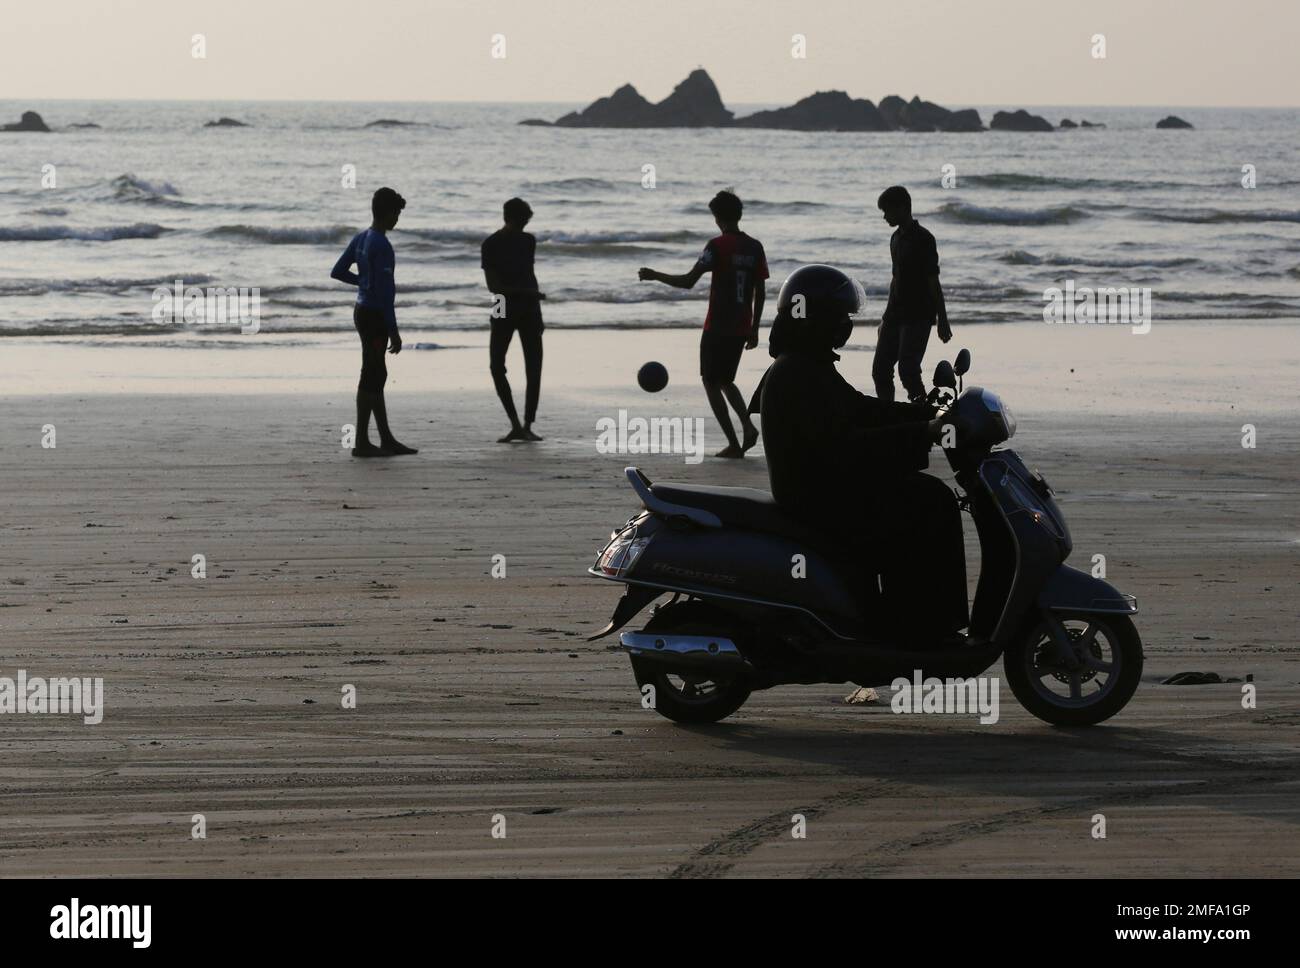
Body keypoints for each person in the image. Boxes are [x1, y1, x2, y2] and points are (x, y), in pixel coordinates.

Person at [757, 263, 968, 647]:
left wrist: (925, 412)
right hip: (817, 499)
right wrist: (923, 432)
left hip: (826, 486)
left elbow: (860, 408)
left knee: (928, 497)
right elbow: (844, 445)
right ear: (815, 317)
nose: (845, 324)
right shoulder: (796, 373)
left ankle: (921, 622)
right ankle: (911, 627)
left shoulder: (808, 363)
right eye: (839, 316)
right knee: (927, 503)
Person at [638, 190, 767, 459]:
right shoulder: (754, 247)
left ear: (717, 217)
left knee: (710, 381)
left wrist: (654, 275)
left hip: (718, 324)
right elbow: (761, 289)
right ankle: (747, 426)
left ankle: (734, 442)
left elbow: (688, 281)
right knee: (726, 380)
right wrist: (755, 328)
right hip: (742, 324)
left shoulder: (717, 246)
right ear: (739, 215)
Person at [330, 187, 417, 457]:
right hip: (375, 316)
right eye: (397, 214)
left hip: (360, 310)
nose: (397, 219)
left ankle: (383, 438)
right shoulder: (382, 245)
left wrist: (362, 282)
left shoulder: (361, 238)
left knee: (375, 373)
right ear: (389, 213)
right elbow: (386, 294)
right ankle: (363, 442)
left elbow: (338, 271)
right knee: (372, 374)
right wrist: (394, 331)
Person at [874, 185, 951, 403]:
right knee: (880, 370)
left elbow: (932, 281)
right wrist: (885, 318)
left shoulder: (924, 239)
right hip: (894, 314)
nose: (885, 216)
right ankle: (886, 413)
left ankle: (922, 412)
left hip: (918, 315)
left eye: (887, 211)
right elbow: (895, 278)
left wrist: (942, 319)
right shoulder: (895, 238)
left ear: (902, 208)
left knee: (908, 370)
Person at [482, 197, 545, 443]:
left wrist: (536, 308)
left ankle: (527, 424)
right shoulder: (491, 244)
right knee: (496, 365)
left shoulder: (528, 240)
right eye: (521, 222)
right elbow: (492, 286)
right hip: (502, 304)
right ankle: (515, 424)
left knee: (534, 365)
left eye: (525, 223)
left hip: (528, 306)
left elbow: (530, 275)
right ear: (509, 218)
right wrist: (527, 294)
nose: (523, 227)